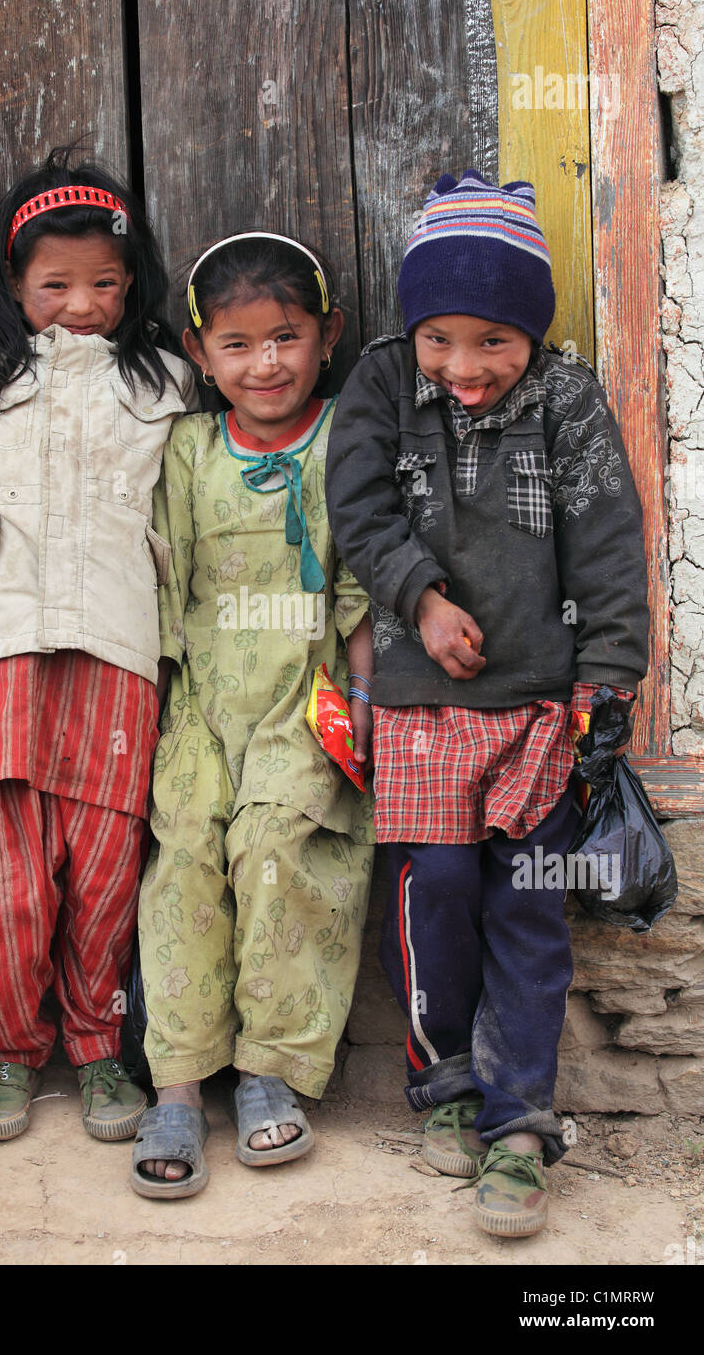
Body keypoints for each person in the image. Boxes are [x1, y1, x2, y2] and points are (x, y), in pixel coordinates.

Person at [325, 170, 649, 1236]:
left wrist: (607, 675)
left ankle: (517, 1122)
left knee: (525, 903)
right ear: (411, 328)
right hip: (419, 703)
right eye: (440, 341)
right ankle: (445, 1085)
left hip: (537, 709)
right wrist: (417, 602)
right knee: (437, 890)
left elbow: (606, 540)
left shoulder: (566, 399)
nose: (463, 369)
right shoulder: (378, 385)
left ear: (532, 334)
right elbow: (358, 507)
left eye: (493, 344)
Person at [0, 145, 198, 1143]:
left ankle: (98, 1045)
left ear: (131, 284)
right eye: (54, 283)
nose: (80, 303)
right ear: (13, 282)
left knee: (104, 862)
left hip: (114, 642)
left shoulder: (160, 382)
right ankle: (2, 1049)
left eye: (104, 283)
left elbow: (187, 503)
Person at [130, 232, 376, 1198]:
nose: (265, 363)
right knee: (184, 849)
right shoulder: (190, 450)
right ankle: (181, 1086)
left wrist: (363, 702)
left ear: (328, 337)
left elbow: (357, 585)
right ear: (199, 354)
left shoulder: (345, 437)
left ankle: (271, 1070)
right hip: (201, 701)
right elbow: (163, 589)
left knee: (278, 849)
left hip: (302, 697)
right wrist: (152, 715)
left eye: (287, 338)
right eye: (236, 345)